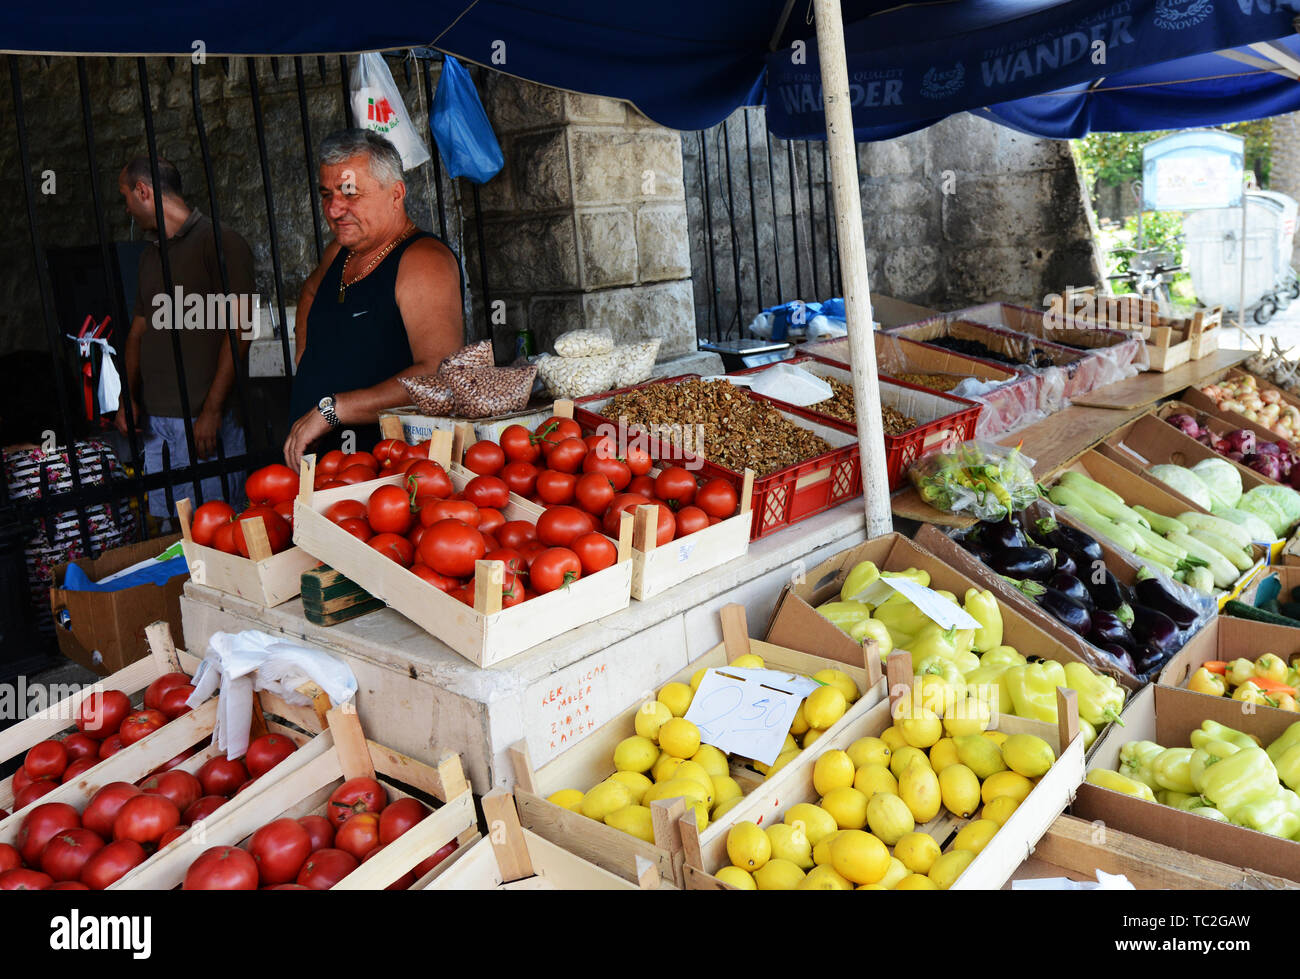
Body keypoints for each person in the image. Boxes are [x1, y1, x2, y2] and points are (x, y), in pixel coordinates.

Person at [284, 129, 464, 468]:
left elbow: (440, 374)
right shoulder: (339, 252)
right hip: (319, 461)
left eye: (350, 194)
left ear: (395, 194)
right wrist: (307, 359)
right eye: (327, 195)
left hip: (384, 469)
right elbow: (310, 292)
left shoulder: (423, 260)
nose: (335, 210)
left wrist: (334, 410)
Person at [115, 154, 255, 524]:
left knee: (219, 528)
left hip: (204, 423)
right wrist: (128, 396)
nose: (126, 208)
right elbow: (137, 333)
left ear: (142, 191)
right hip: (155, 424)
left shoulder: (222, 242)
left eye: (125, 197)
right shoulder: (149, 257)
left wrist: (211, 411)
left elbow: (239, 331)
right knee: (168, 530)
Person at [1, 351, 136, 648]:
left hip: (46, 628)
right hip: (115, 603)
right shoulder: (100, 453)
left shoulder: (8, 471)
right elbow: (127, 529)